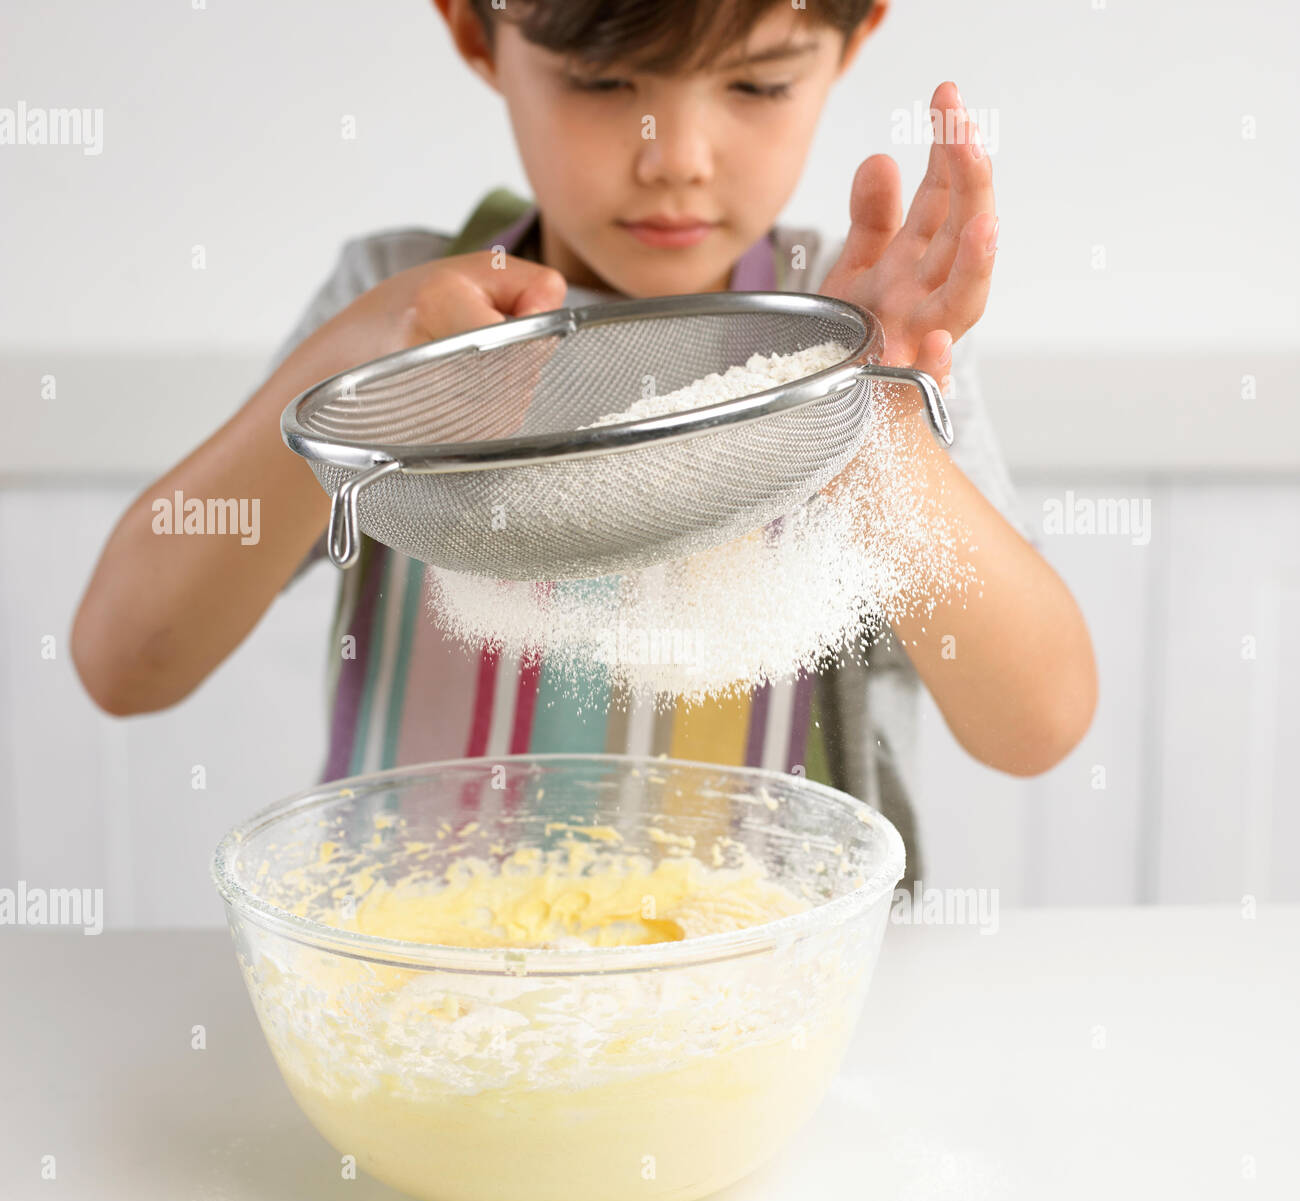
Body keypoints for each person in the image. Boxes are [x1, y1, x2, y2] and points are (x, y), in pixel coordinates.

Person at [71, 0, 1096, 880]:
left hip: (769, 997)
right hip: (427, 992)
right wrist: (356, 357)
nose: (676, 158)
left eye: (757, 85)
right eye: (605, 83)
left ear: (852, 34)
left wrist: (870, 426)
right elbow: (126, 661)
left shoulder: (873, 331)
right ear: (476, 32)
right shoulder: (402, 320)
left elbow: (1035, 724)